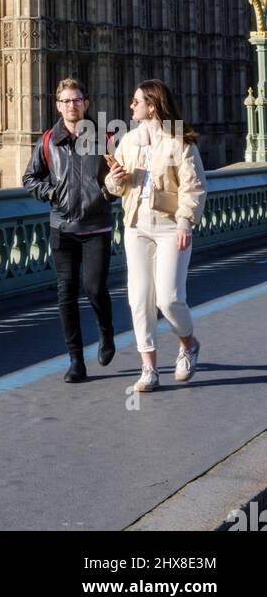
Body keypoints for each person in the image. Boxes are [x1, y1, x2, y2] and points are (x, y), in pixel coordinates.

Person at [104, 80, 207, 392]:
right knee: (139, 297)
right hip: (136, 226)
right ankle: (149, 368)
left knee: (169, 298)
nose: (131, 106)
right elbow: (114, 187)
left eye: (136, 102)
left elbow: (194, 187)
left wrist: (185, 223)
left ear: (152, 106)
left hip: (169, 226)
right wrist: (114, 178)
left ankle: (188, 344)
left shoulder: (179, 142)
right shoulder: (129, 141)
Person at [23, 77, 117, 383]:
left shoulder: (105, 138)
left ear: (86, 104)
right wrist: (51, 193)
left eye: (76, 100)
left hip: (96, 226)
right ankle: (76, 359)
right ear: (58, 105)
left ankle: (106, 333)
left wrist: (105, 194)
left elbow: (121, 177)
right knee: (66, 294)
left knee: (93, 288)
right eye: (65, 101)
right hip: (62, 227)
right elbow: (30, 178)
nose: (71, 105)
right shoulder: (48, 140)